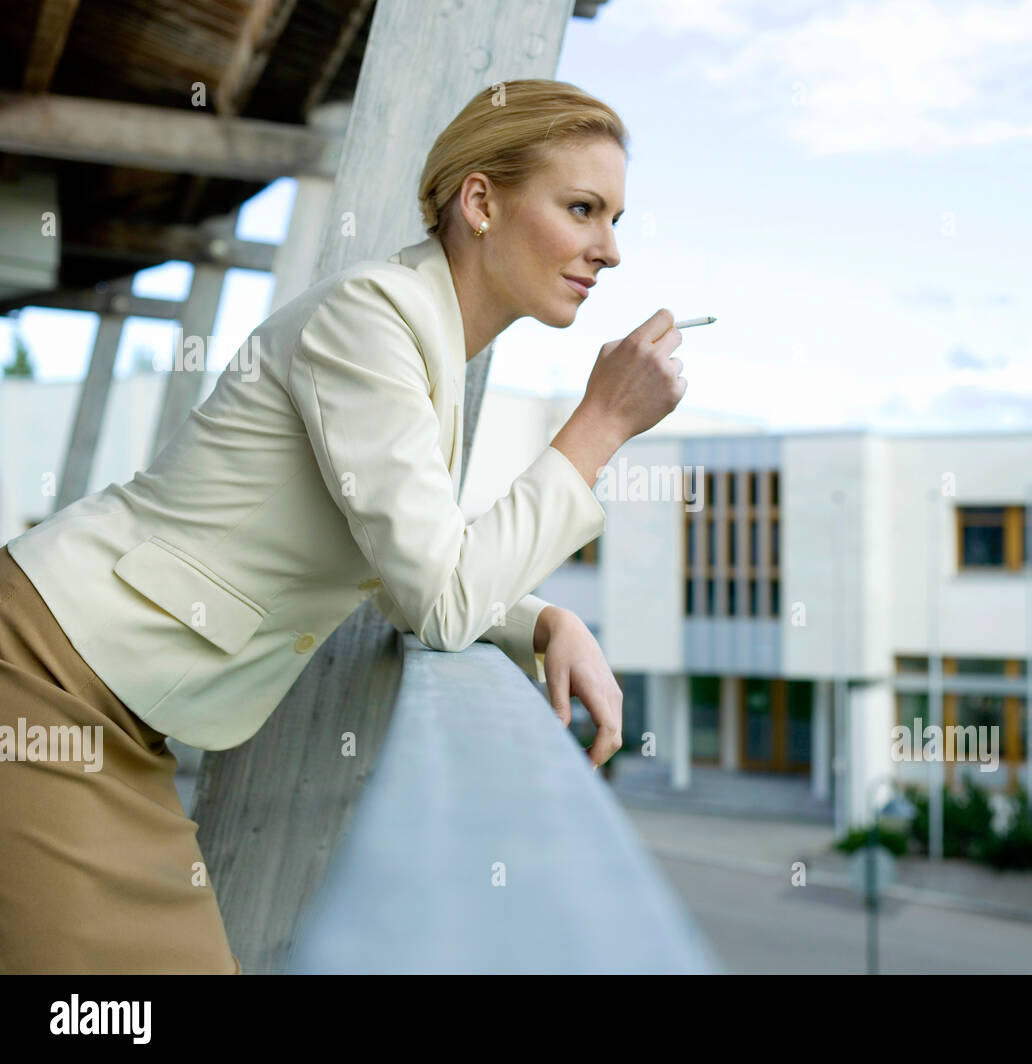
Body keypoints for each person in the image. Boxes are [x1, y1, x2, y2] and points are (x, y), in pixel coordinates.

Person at [0, 78, 688, 974]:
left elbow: (417, 575)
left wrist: (541, 620)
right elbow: (439, 600)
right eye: (584, 209)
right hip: (45, 681)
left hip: (117, 716)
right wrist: (601, 425)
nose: (610, 251)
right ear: (480, 201)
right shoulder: (372, 319)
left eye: (616, 218)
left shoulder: (419, 339)